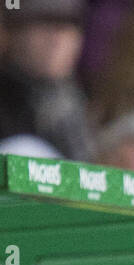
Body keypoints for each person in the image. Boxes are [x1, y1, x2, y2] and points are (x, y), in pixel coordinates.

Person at [0, 0, 94, 159]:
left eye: (68, 27)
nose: (57, 40)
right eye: (45, 24)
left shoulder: (77, 102)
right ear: (12, 33)